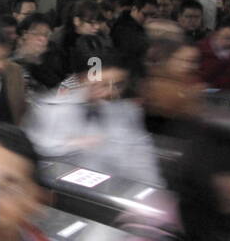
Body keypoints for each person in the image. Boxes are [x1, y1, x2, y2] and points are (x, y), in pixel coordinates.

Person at [24, 49, 161, 187]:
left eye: (117, 85)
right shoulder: (51, 109)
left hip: (118, 187)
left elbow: (141, 157)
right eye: (102, 84)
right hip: (67, 190)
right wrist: (73, 144)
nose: (109, 91)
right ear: (83, 78)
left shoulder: (126, 110)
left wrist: (153, 189)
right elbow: (36, 154)